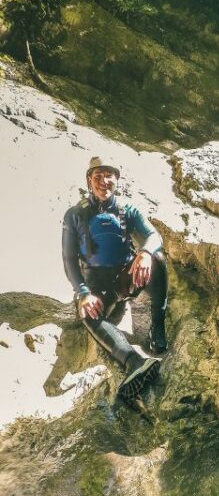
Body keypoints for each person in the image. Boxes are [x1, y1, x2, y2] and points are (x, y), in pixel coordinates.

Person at [62, 157, 168, 401]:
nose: (104, 181)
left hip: (125, 279)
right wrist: (83, 293)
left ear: (117, 180)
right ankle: (134, 362)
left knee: (158, 260)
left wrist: (145, 253)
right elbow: (68, 260)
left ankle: (157, 330)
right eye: (97, 176)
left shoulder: (127, 209)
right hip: (97, 287)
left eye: (109, 175)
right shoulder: (75, 214)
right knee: (87, 313)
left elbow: (154, 235)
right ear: (89, 180)